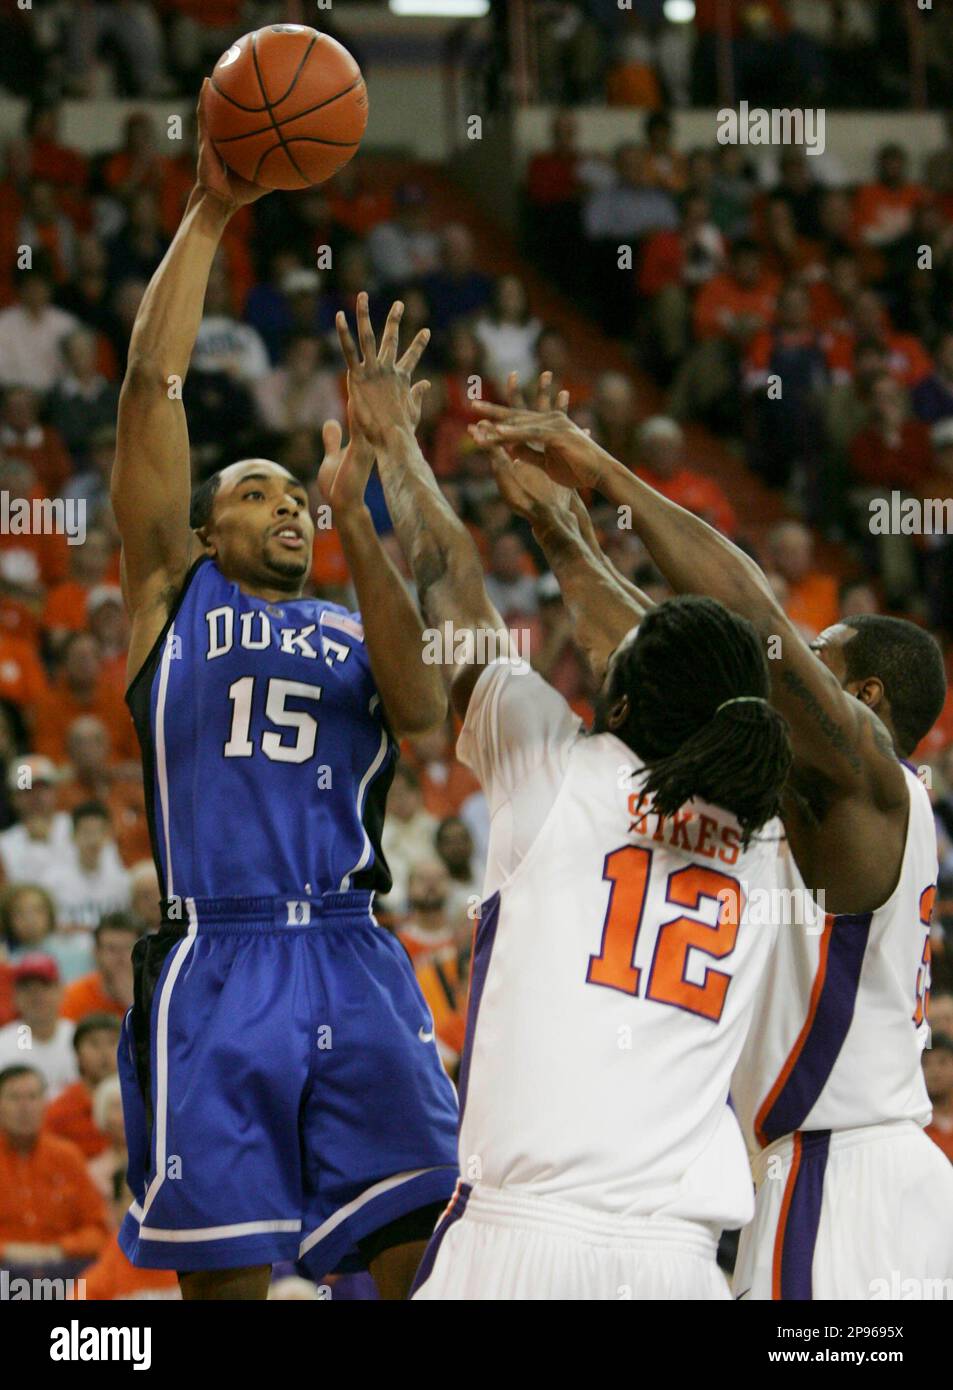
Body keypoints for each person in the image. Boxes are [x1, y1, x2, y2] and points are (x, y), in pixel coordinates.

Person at [336, 320, 794, 1299]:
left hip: (522, 1243)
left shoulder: (555, 770)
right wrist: (564, 524)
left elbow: (451, 589)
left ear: (618, 702)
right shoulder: (771, 834)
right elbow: (680, 646)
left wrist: (395, 445)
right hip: (677, 1263)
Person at [472, 397, 953, 1300]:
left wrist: (605, 473)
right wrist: (563, 534)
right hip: (873, 1178)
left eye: (821, 658)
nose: (791, 667)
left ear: (868, 699)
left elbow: (750, 619)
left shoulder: (861, 781)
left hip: (835, 1184)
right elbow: (667, 654)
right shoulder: (841, 801)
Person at [110, 90, 458, 1301]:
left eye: (291, 495)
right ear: (204, 528)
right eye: (255, 492)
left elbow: (422, 719)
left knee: (428, 1264)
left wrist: (357, 496)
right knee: (226, 1289)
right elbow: (150, 385)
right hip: (220, 955)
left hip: (355, 952)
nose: (285, 507)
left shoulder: (339, 619)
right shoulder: (172, 594)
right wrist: (210, 206)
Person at [0, 1065, 108, 1269]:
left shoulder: (68, 1156)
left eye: (32, 1097)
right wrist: (7, 1250)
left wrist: (58, 1249)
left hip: (62, 1267)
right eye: (14, 1098)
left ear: (45, 1103)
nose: (24, 1107)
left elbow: (98, 1231)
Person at [44, 1012, 121, 1159]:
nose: (104, 1053)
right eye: (94, 1043)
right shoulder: (60, 1111)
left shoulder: (142, 1102)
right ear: (77, 1054)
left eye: (112, 1042)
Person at [0, 955, 77, 1098]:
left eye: (45, 986)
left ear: (61, 990)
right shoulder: (3, 1045)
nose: (36, 995)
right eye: (28, 988)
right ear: (15, 996)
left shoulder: (77, 1038)